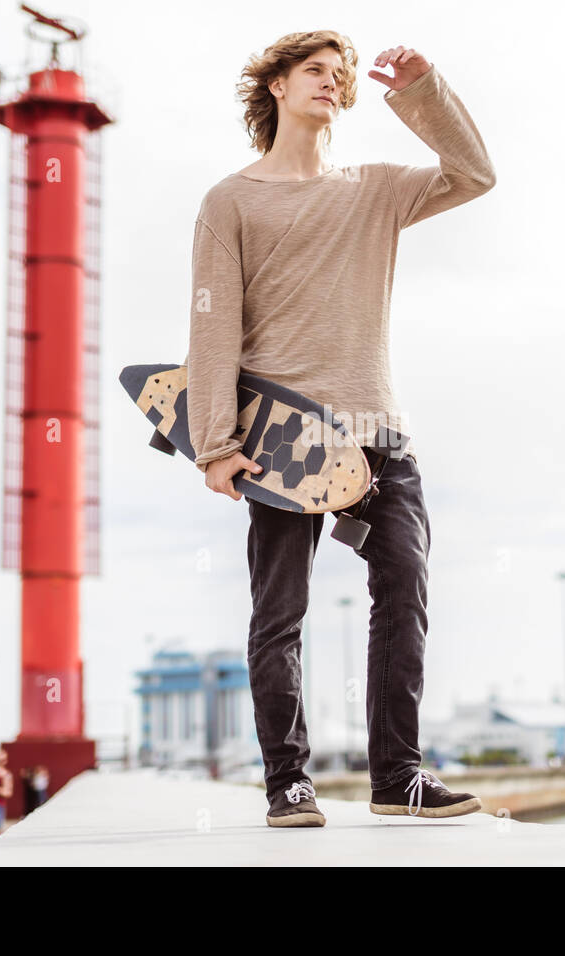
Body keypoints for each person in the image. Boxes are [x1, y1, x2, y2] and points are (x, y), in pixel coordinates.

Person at [184, 33, 494, 827]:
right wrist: (216, 444)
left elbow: (475, 174)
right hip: (281, 437)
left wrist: (424, 92)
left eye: (340, 75)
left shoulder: (375, 190)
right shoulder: (231, 201)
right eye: (314, 71)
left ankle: (399, 778)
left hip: (376, 427)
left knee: (404, 589)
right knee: (280, 612)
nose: (331, 82)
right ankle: (288, 781)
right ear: (278, 87)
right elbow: (213, 330)